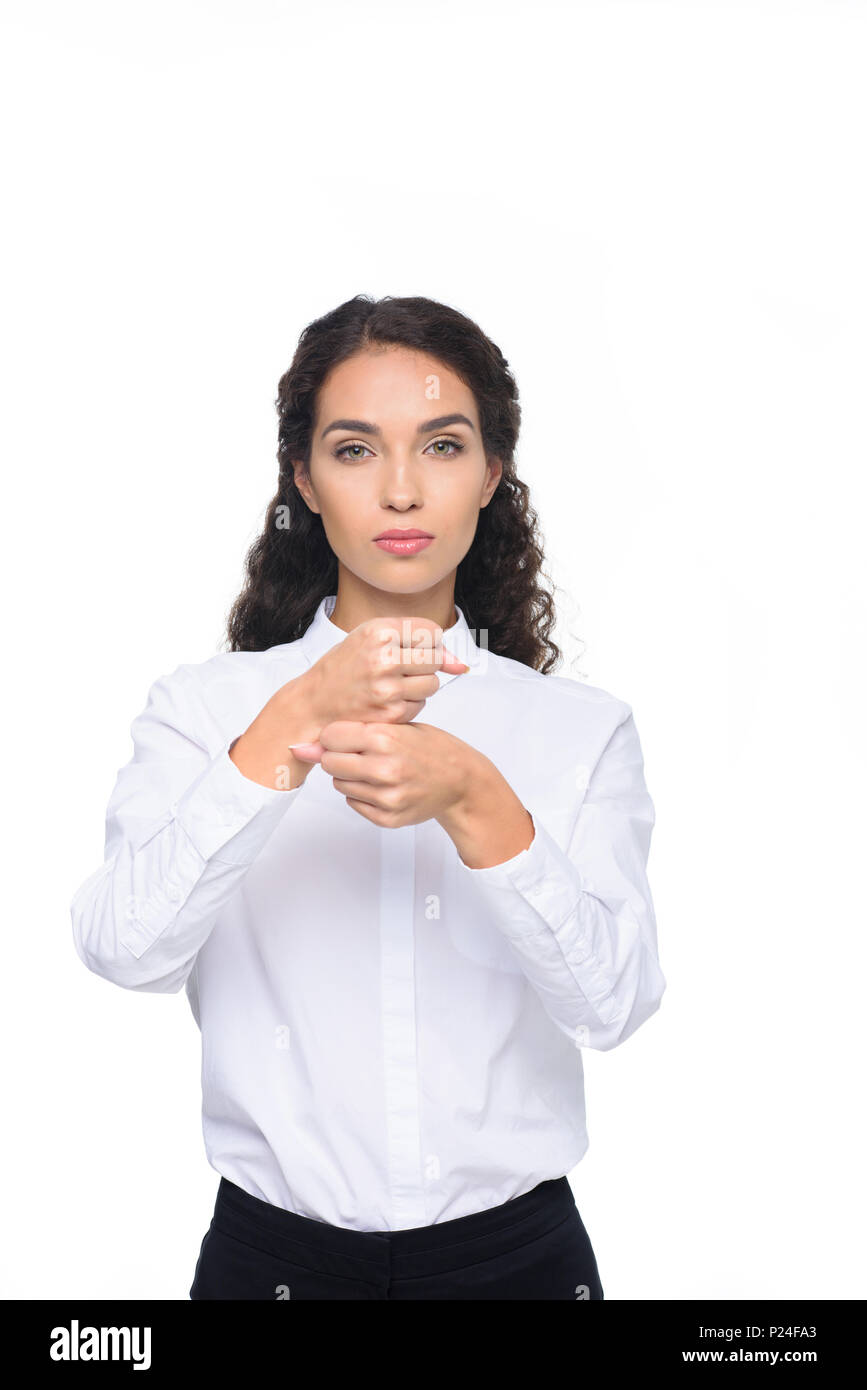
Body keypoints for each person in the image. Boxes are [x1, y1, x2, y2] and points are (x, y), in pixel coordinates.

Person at [70, 294, 666, 1300]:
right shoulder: (202, 711)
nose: (400, 490)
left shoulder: (577, 731)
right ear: (303, 477)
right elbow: (122, 949)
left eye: (441, 445)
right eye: (355, 450)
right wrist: (286, 727)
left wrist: (482, 802)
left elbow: (614, 1006)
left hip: (515, 1266)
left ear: (491, 474)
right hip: (277, 1267)